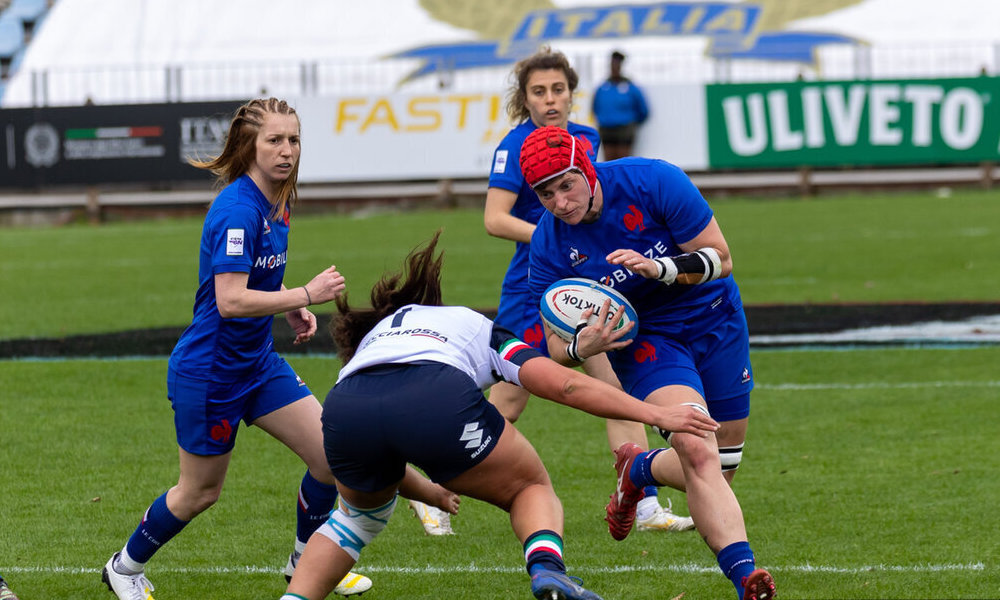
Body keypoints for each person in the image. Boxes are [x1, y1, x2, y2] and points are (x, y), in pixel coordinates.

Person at [100, 98, 455, 600]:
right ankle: (124, 566)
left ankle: (302, 563)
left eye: (294, 140)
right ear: (249, 146)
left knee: (330, 458)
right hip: (210, 373)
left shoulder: (278, 199)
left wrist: (286, 304)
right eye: (275, 141)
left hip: (257, 364)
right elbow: (229, 300)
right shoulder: (238, 210)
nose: (287, 151)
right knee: (200, 492)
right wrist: (307, 294)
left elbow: (259, 276)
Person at [280, 231, 720, 600]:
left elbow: (385, 440)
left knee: (354, 521)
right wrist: (654, 412)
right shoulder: (472, 324)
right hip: (434, 397)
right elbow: (563, 383)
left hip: (344, 406)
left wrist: (432, 494)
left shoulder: (375, 341)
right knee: (529, 486)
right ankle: (548, 569)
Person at [520, 126, 777, 600]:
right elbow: (554, 349)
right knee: (698, 448)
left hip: (715, 319)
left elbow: (722, 257)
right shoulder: (550, 246)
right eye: (545, 192)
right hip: (647, 341)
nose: (560, 201)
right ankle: (747, 578)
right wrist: (584, 346)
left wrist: (661, 269)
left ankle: (640, 470)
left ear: (589, 170)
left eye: (567, 183)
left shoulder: (654, 180)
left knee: (721, 467)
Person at [477, 44, 693, 535]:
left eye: (559, 89)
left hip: (585, 286)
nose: (550, 99)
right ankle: (435, 479)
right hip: (537, 286)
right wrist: (560, 238)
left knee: (615, 387)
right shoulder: (515, 147)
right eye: (539, 91)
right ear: (524, 98)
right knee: (512, 397)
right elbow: (494, 219)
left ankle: (644, 505)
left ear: (573, 94)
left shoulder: (586, 138)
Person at [590, 50, 649, 161]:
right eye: (612, 64)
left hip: (624, 132)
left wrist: (631, 123)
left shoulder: (631, 87)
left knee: (624, 162)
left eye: (617, 64)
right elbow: (594, 107)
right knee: (609, 163)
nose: (614, 67)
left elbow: (643, 110)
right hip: (606, 131)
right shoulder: (602, 88)